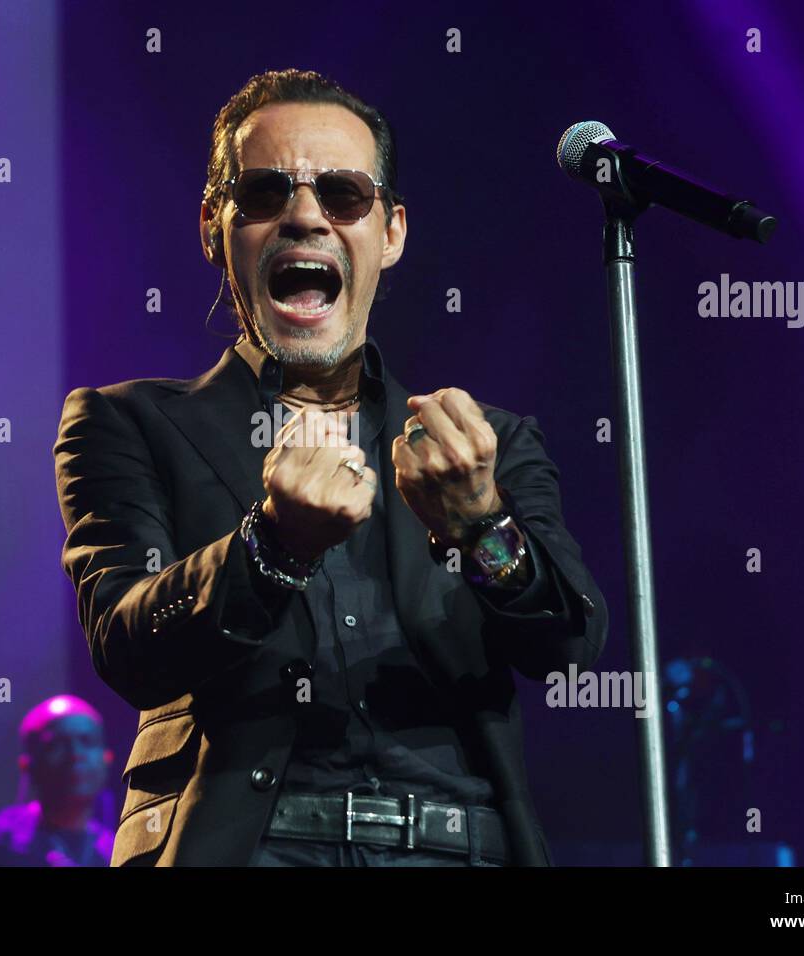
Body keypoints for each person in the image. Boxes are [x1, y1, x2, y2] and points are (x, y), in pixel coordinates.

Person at [54, 68, 608, 866]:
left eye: (344, 194)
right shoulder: (130, 422)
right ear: (215, 225)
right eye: (266, 193)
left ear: (390, 232)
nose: (305, 215)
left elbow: (568, 649)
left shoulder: (484, 443)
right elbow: (128, 645)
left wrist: (484, 527)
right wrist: (270, 549)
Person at [0, 695, 114, 866]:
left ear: (107, 758)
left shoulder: (117, 850)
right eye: (57, 744)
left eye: (87, 741)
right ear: (27, 765)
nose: (76, 754)